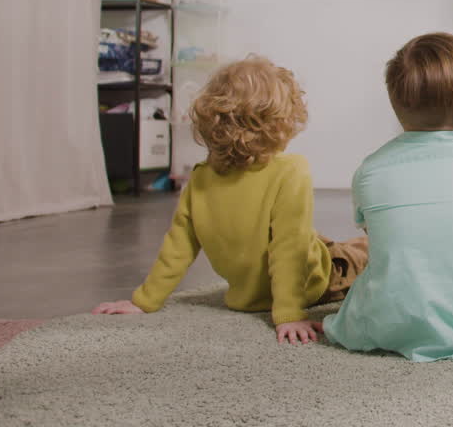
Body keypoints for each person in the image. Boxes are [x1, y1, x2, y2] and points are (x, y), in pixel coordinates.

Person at [92, 56, 368, 345]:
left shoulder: (200, 177)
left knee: (323, 240)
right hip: (321, 277)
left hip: (247, 295)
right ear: (278, 123)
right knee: (369, 251)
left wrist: (145, 300)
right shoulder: (291, 169)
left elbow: (178, 246)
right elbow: (291, 248)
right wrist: (289, 314)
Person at [320, 33, 453, 361]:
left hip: (390, 323)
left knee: (369, 253)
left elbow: (372, 231)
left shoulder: (370, 169)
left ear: (396, 103)